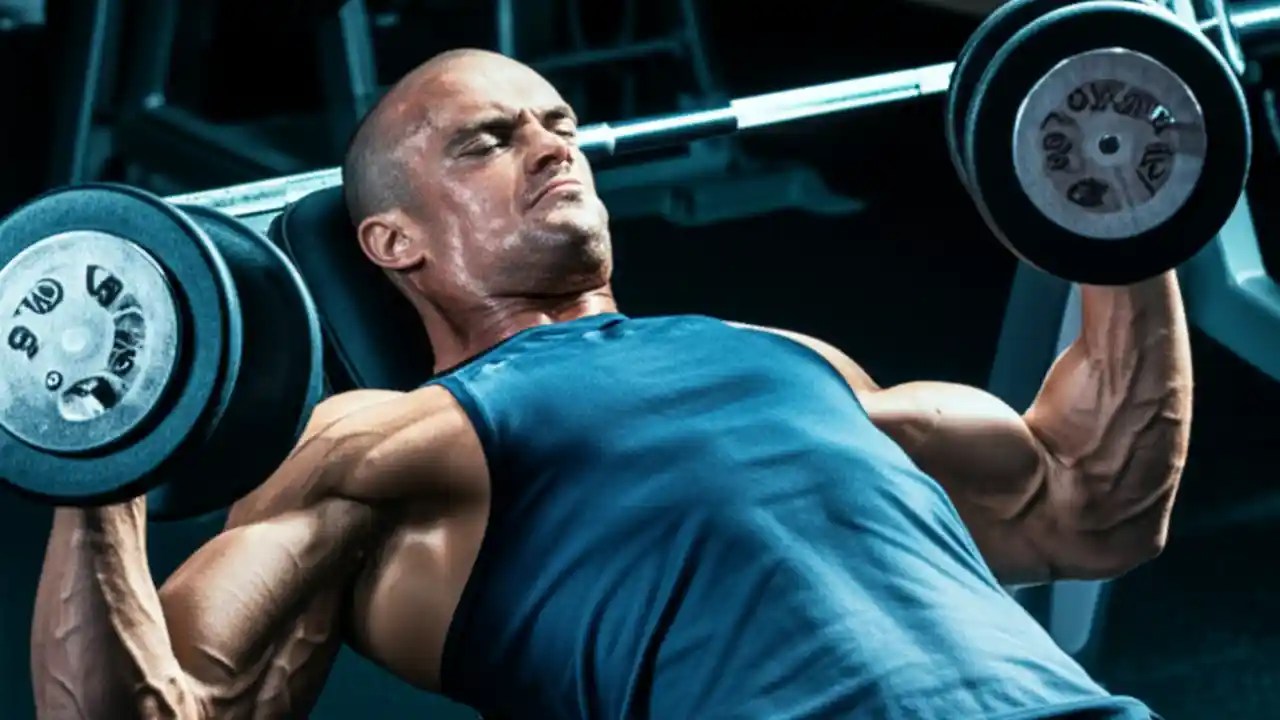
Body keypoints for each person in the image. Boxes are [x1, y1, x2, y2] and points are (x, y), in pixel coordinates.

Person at [30, 47, 1190, 720]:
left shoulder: (785, 356)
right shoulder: (374, 442)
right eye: (486, 141)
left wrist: (1119, 223)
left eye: (557, 122)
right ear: (391, 244)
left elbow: (1090, 500)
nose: (551, 146)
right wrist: (100, 450)